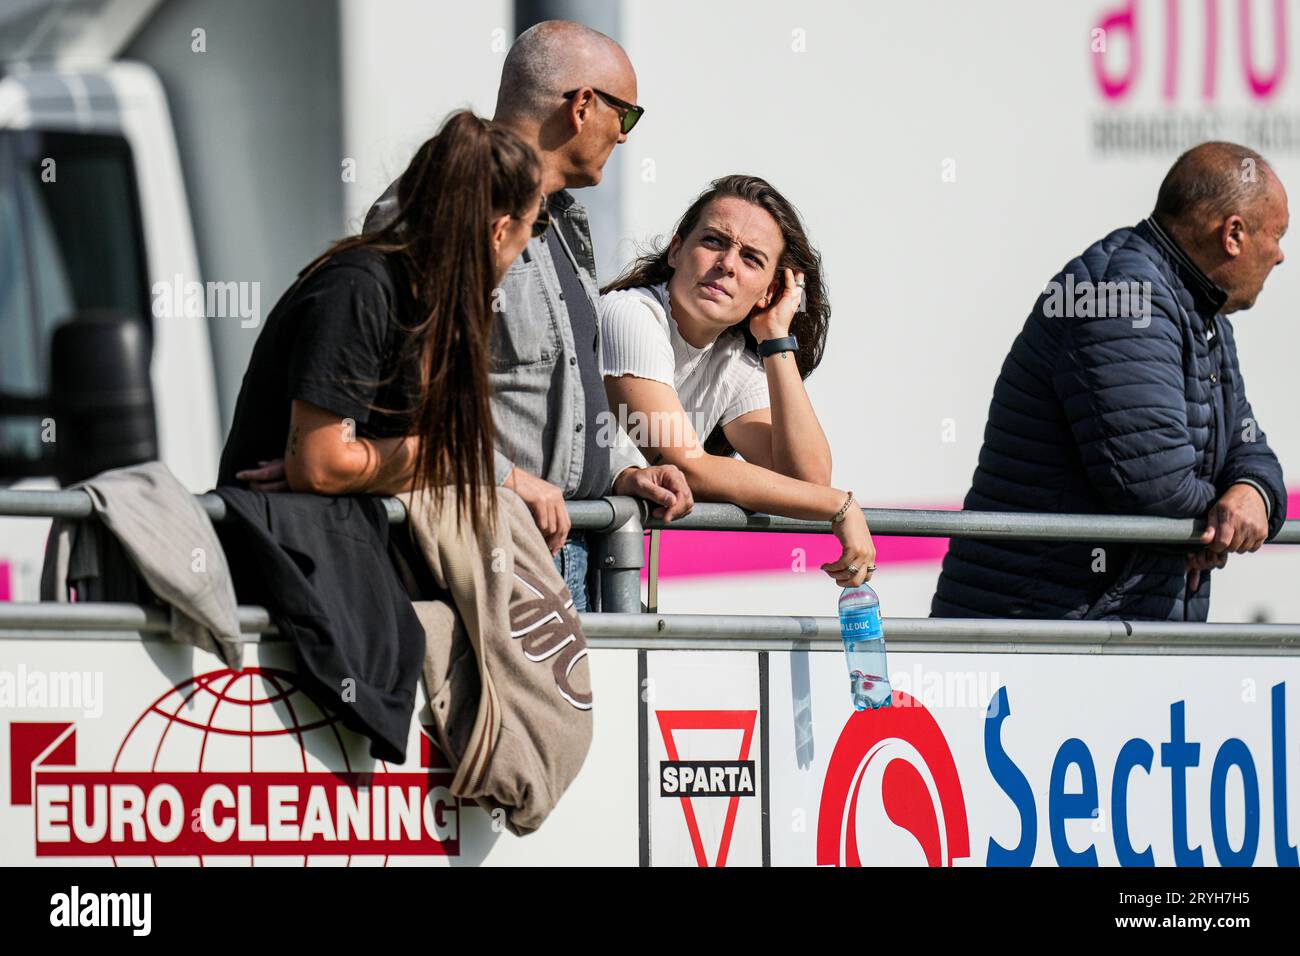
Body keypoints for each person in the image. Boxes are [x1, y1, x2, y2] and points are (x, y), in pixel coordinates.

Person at [344, 20, 692, 610]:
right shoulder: (437, 206)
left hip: (562, 548)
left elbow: (544, 401)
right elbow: (396, 406)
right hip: (476, 555)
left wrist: (613, 479)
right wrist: (506, 480)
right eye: (626, 116)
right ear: (583, 106)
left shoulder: (565, 219)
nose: (626, 137)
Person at [931, 141, 1288, 621]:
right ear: (1234, 234)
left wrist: (1251, 491)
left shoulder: (1202, 310)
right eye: (1277, 235)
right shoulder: (1120, 296)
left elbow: (1248, 448)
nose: (1281, 256)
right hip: (1034, 632)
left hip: (1099, 635)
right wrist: (1221, 520)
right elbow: (1151, 484)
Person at [217, 109, 543, 539]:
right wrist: (438, 459)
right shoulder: (358, 289)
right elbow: (320, 466)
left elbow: (333, 466)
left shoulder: (427, 301)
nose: (531, 240)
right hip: (285, 556)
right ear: (500, 230)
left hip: (335, 549)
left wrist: (360, 466)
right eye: (538, 223)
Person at [598, 174, 876, 588]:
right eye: (713, 240)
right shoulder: (631, 314)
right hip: (539, 542)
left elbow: (806, 482)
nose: (727, 264)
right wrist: (841, 506)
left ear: (769, 292)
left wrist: (775, 339)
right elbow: (686, 465)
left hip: (602, 559)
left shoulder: (732, 357)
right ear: (676, 250)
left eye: (751, 259)